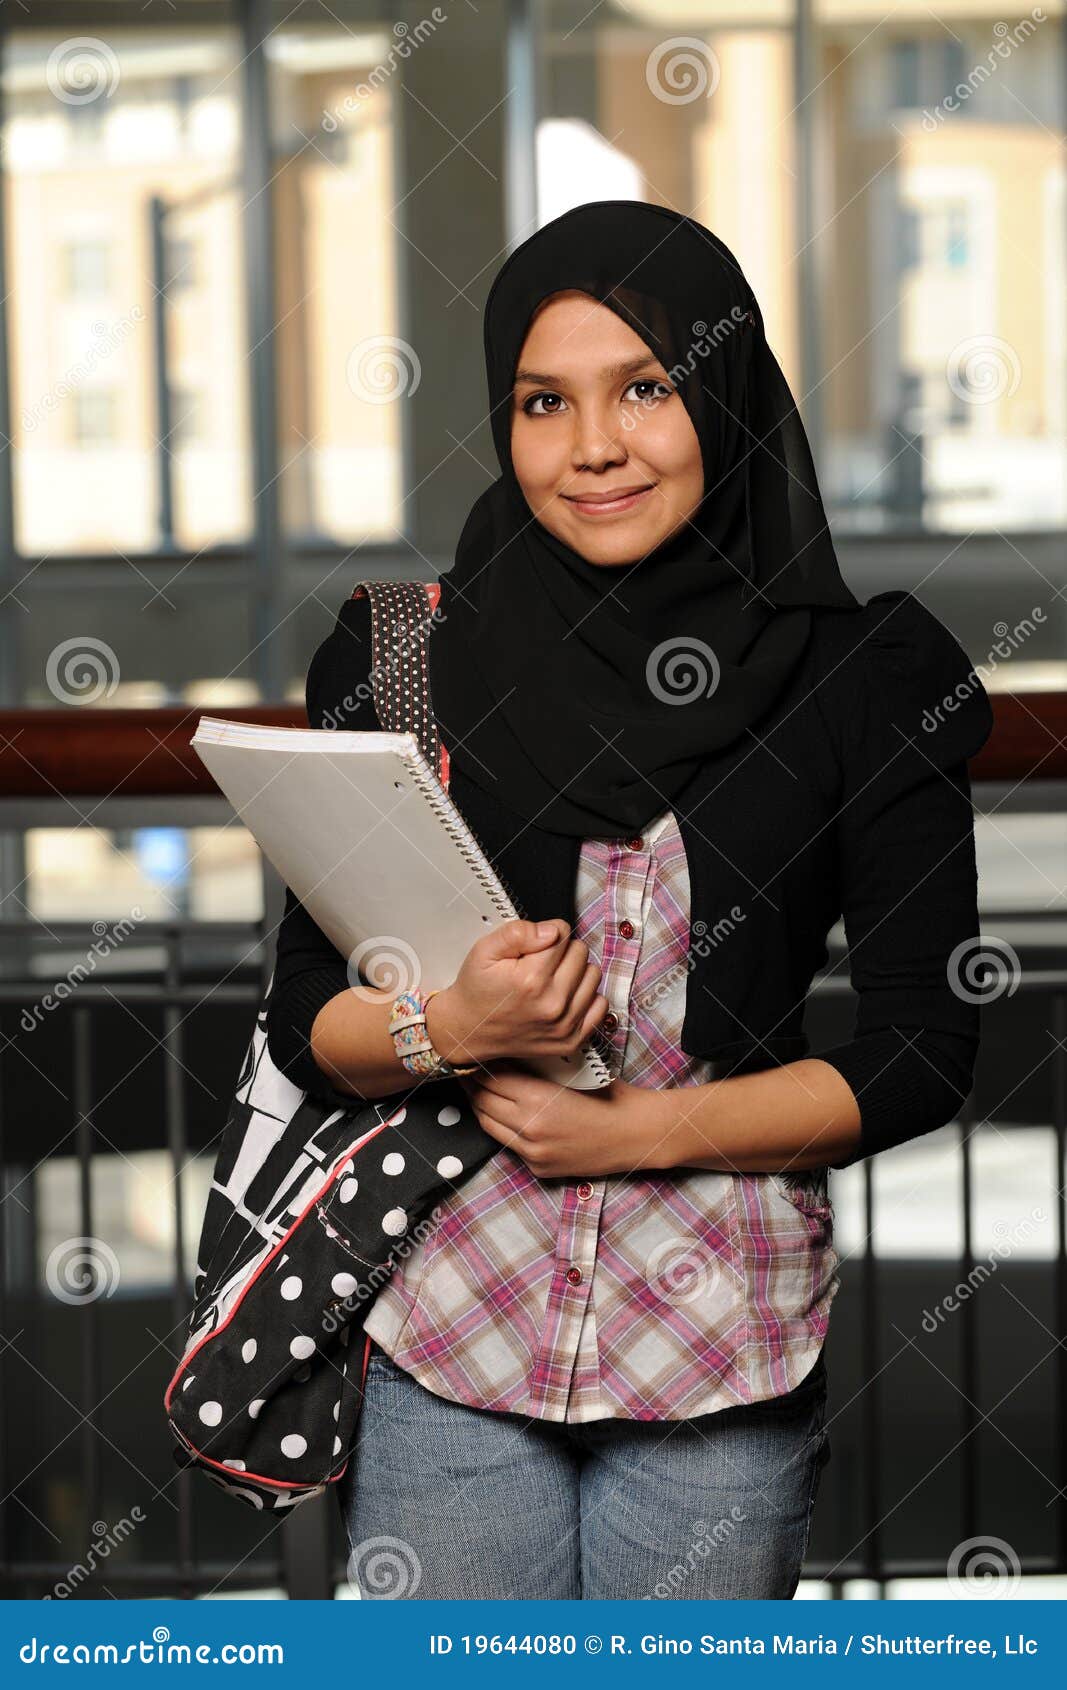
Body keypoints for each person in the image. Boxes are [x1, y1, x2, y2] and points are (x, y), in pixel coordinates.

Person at [265, 200, 994, 1600]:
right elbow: (309, 1017)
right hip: (447, 1342)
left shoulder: (864, 677)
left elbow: (922, 1049)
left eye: (646, 389)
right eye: (546, 402)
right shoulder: (399, 662)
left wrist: (637, 1133)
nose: (593, 446)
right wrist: (450, 1023)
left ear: (723, 393)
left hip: (721, 1353)